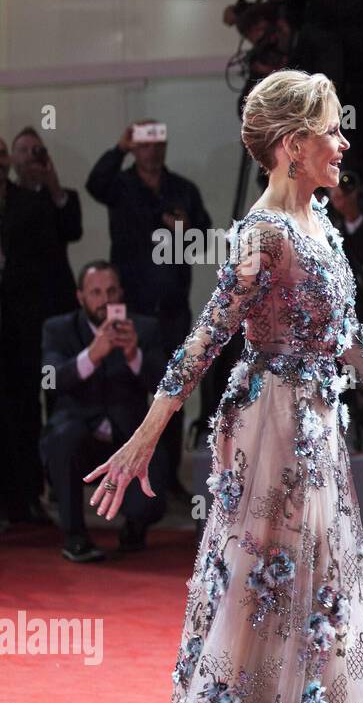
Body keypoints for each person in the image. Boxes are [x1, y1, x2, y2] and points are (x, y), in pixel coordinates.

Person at [95, 69, 363, 703]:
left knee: (321, 597)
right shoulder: (263, 234)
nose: (343, 141)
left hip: (321, 425)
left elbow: (347, 334)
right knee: (271, 596)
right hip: (272, 430)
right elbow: (206, 337)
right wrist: (143, 437)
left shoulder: (321, 220)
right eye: (331, 128)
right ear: (292, 146)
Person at [85, 119, 213, 497]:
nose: (151, 151)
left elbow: (205, 242)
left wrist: (187, 230)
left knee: (171, 390)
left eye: (158, 144)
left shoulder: (183, 190)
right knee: (126, 390)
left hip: (172, 309)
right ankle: (122, 471)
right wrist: (119, 147)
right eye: (143, 145)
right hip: (131, 308)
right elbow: (94, 184)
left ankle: (165, 475)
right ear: (134, 148)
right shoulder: (120, 185)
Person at [41, 261, 170, 562]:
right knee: (62, 437)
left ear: (121, 294)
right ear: (80, 297)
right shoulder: (58, 329)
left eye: (111, 291)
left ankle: (135, 526)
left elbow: (167, 386)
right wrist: (91, 356)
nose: (105, 300)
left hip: (127, 439)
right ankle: (75, 537)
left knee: (150, 493)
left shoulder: (145, 328)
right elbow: (50, 380)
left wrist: (133, 355)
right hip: (79, 438)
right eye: (96, 292)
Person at [0, 126, 82, 526]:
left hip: (55, 313)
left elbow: (73, 228)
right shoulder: (12, 202)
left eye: (38, 150)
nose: (31, 157)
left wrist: (51, 184)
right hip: (16, 321)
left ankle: (60, 486)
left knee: (60, 401)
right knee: (22, 405)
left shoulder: (57, 197)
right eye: (22, 151)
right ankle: (26, 491)